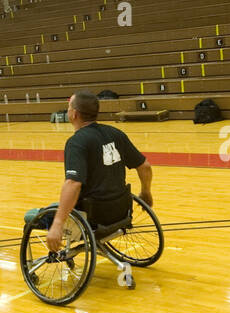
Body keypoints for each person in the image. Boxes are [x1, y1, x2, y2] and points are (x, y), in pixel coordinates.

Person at [46, 91, 153, 253]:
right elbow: (145, 166)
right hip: (121, 210)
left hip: (94, 216)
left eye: (69, 107)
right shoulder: (115, 133)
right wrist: (146, 192)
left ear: (74, 114)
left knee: (36, 215)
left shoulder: (76, 143)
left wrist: (58, 223)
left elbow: (73, 183)